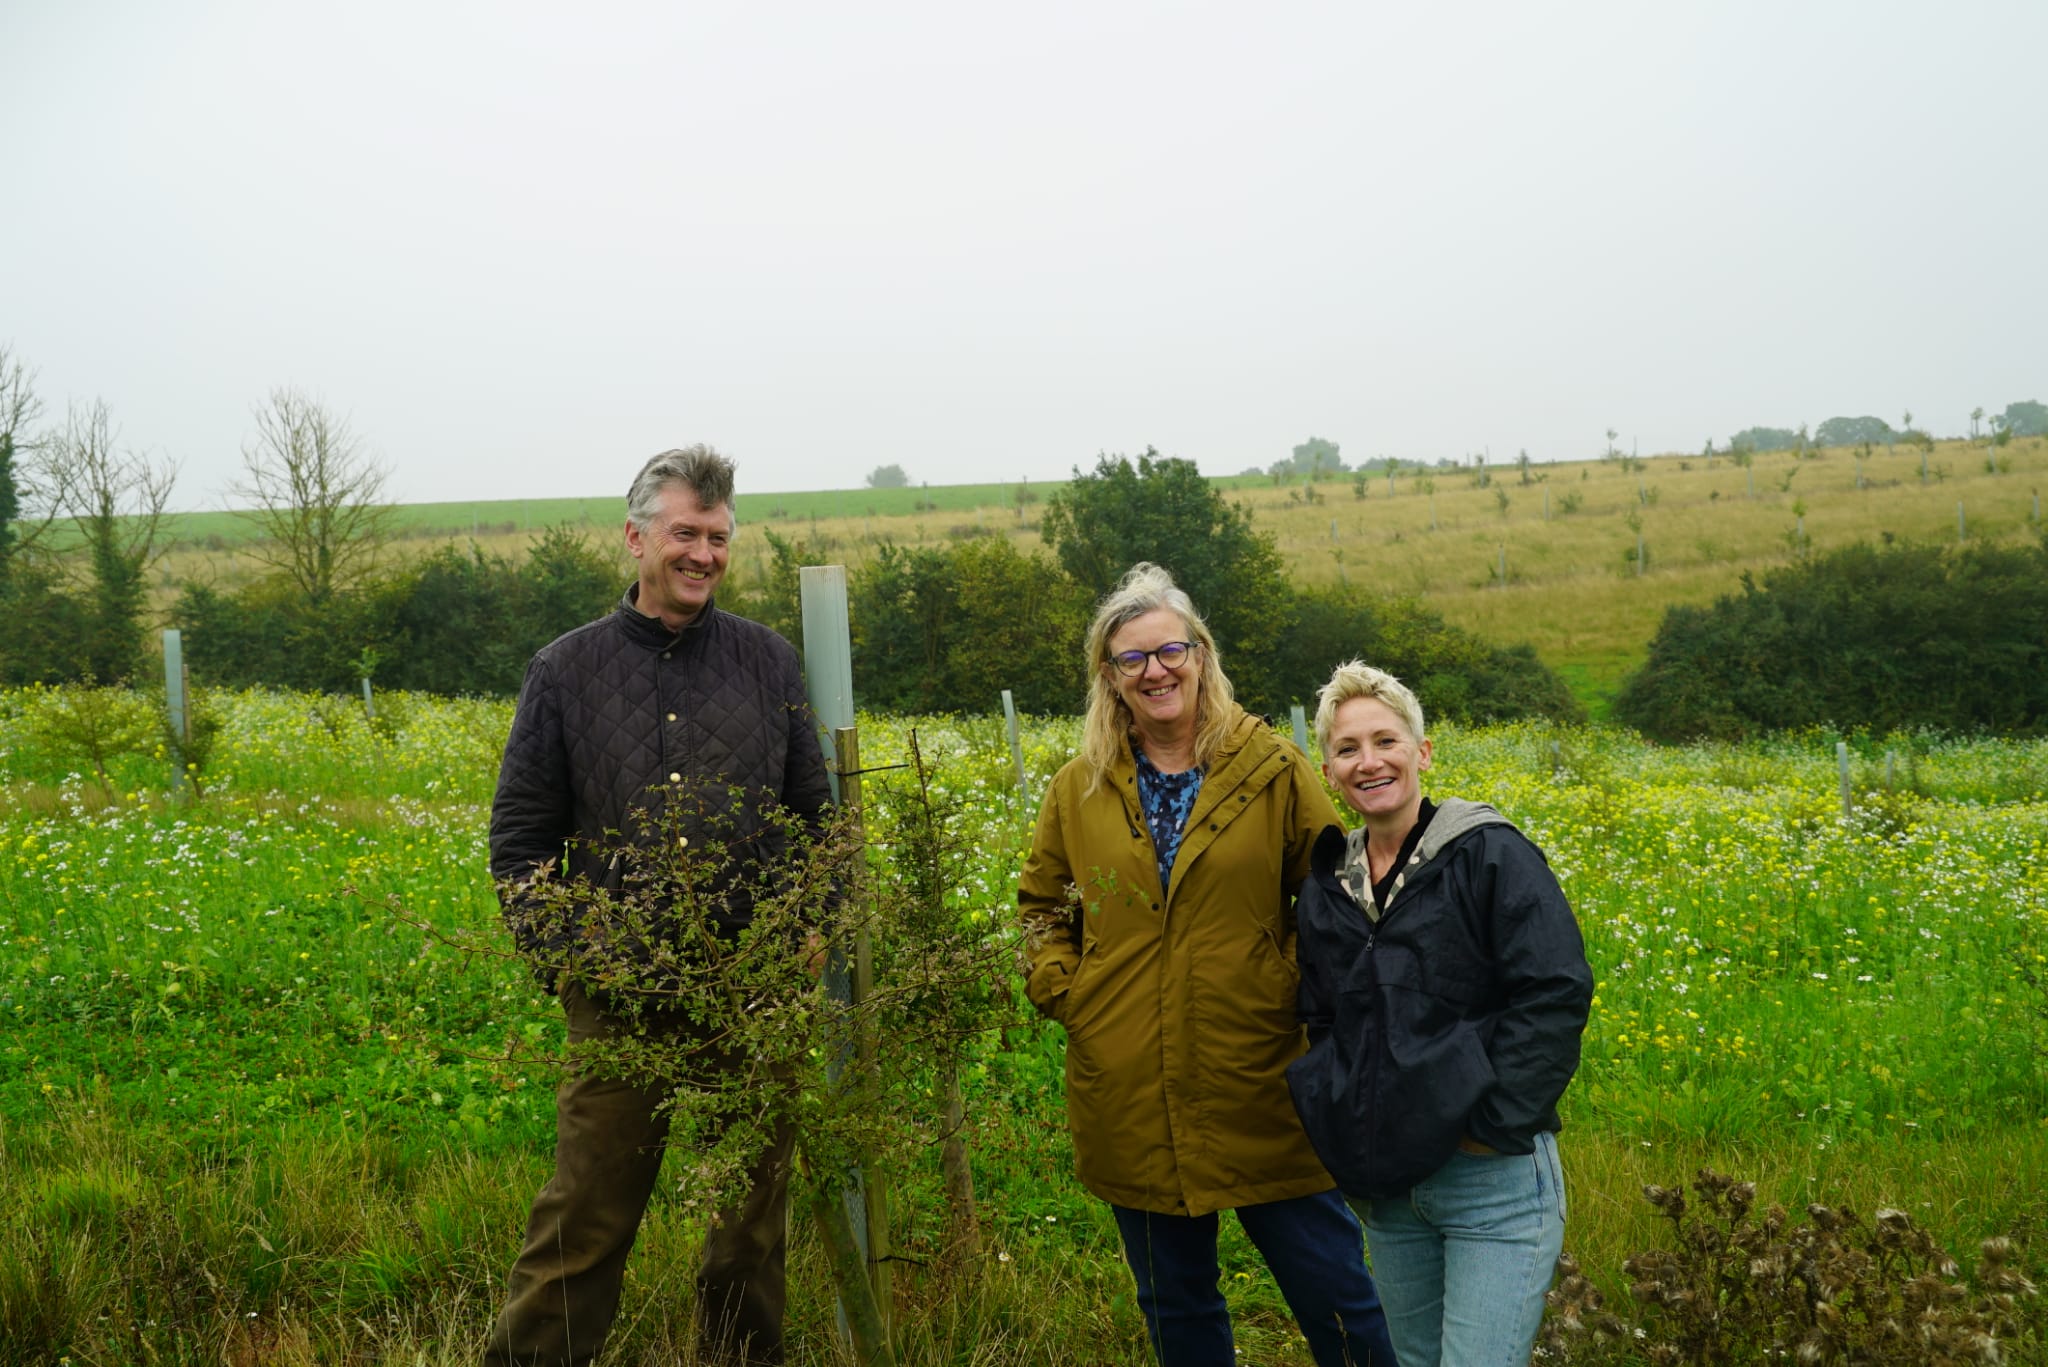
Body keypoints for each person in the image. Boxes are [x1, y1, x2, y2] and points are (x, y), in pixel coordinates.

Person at [484, 446, 832, 1367]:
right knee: (581, 1227)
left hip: (752, 1000)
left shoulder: (768, 662)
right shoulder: (564, 672)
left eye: (718, 537)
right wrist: (572, 962)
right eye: (686, 532)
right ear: (637, 537)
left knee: (747, 1236)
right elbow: (521, 846)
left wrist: (806, 924)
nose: (705, 554)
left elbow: (817, 821)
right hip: (620, 1002)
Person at [1018, 563, 1398, 1367]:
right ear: (1111, 677)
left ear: (1200, 655)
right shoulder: (1077, 787)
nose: (1156, 670)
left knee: (1335, 1293)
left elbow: (1337, 900)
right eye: (1133, 658)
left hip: (1261, 1071)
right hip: (1130, 1085)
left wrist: (1291, 989)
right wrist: (1071, 991)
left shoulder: (1271, 768)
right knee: (1177, 1307)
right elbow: (1042, 904)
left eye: (1170, 650)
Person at [1289, 662, 1594, 1367]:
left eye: (1386, 740)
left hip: (1493, 1185)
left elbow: (1554, 992)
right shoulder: (1330, 889)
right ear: (1330, 769)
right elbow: (1325, 1018)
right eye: (1347, 748)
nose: (1369, 761)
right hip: (1392, 1195)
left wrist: (1486, 1126)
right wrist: (1343, 1123)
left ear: (1421, 751)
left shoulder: (1489, 854)